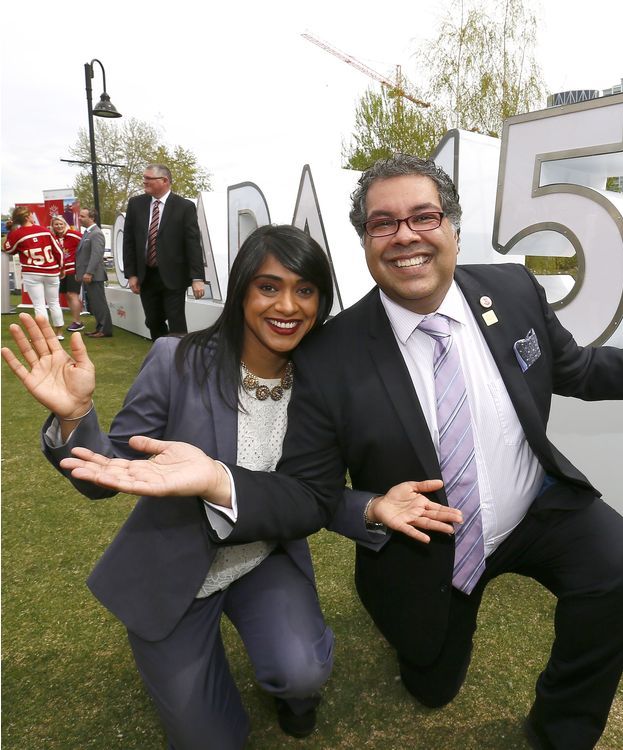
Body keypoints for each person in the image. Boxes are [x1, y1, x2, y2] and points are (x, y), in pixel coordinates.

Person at [57, 156, 623, 750]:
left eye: (422, 216)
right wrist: (256, 484)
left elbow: (581, 370)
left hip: (536, 507)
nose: (405, 236)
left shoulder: (513, 290)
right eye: (382, 224)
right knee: (430, 684)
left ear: (452, 228)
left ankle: (562, 731)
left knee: (622, 563)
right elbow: (307, 493)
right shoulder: (331, 353)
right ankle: (417, 640)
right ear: (365, 243)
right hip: (433, 537)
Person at [1, 224, 460, 749]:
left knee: (302, 671)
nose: (287, 305)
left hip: (264, 555)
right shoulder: (177, 359)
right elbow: (113, 471)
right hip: (174, 565)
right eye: (268, 286)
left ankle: (295, 692)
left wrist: (373, 506)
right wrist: (75, 417)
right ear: (241, 289)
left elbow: (312, 495)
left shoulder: (324, 382)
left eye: (304, 289)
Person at [122, 163, 206, 339]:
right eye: (144, 178)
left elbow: (193, 244)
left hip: (174, 276)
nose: (144, 182)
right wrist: (131, 274)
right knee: (153, 320)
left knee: (176, 322)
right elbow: (128, 241)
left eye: (148, 179)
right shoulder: (136, 204)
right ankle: (162, 354)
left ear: (164, 180)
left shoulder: (184, 207)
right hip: (146, 275)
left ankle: (178, 360)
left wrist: (197, 278)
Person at [3, 206, 64, 339]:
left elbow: (8, 249)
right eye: (31, 214)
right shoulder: (45, 231)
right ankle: (59, 333)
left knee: (39, 305)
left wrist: (11, 232)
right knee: (54, 302)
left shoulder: (17, 234)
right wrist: (61, 268)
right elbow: (58, 251)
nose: (32, 216)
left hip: (32, 273)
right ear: (27, 217)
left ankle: (45, 334)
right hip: (51, 271)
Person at [76, 208, 113, 338]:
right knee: (95, 304)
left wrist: (89, 273)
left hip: (94, 275)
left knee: (99, 303)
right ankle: (99, 328)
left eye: (82, 216)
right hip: (89, 275)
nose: (79, 218)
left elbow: (96, 255)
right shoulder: (88, 233)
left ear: (91, 218)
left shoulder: (96, 233)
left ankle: (105, 329)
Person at [50, 216, 84, 333]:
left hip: (74, 270)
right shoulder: (53, 237)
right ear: (52, 226)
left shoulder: (73, 234)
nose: (59, 226)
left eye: (61, 224)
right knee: (67, 295)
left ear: (65, 224)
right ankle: (76, 320)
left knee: (72, 294)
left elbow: (87, 244)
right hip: (61, 271)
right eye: (56, 224)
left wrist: (82, 264)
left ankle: (78, 322)